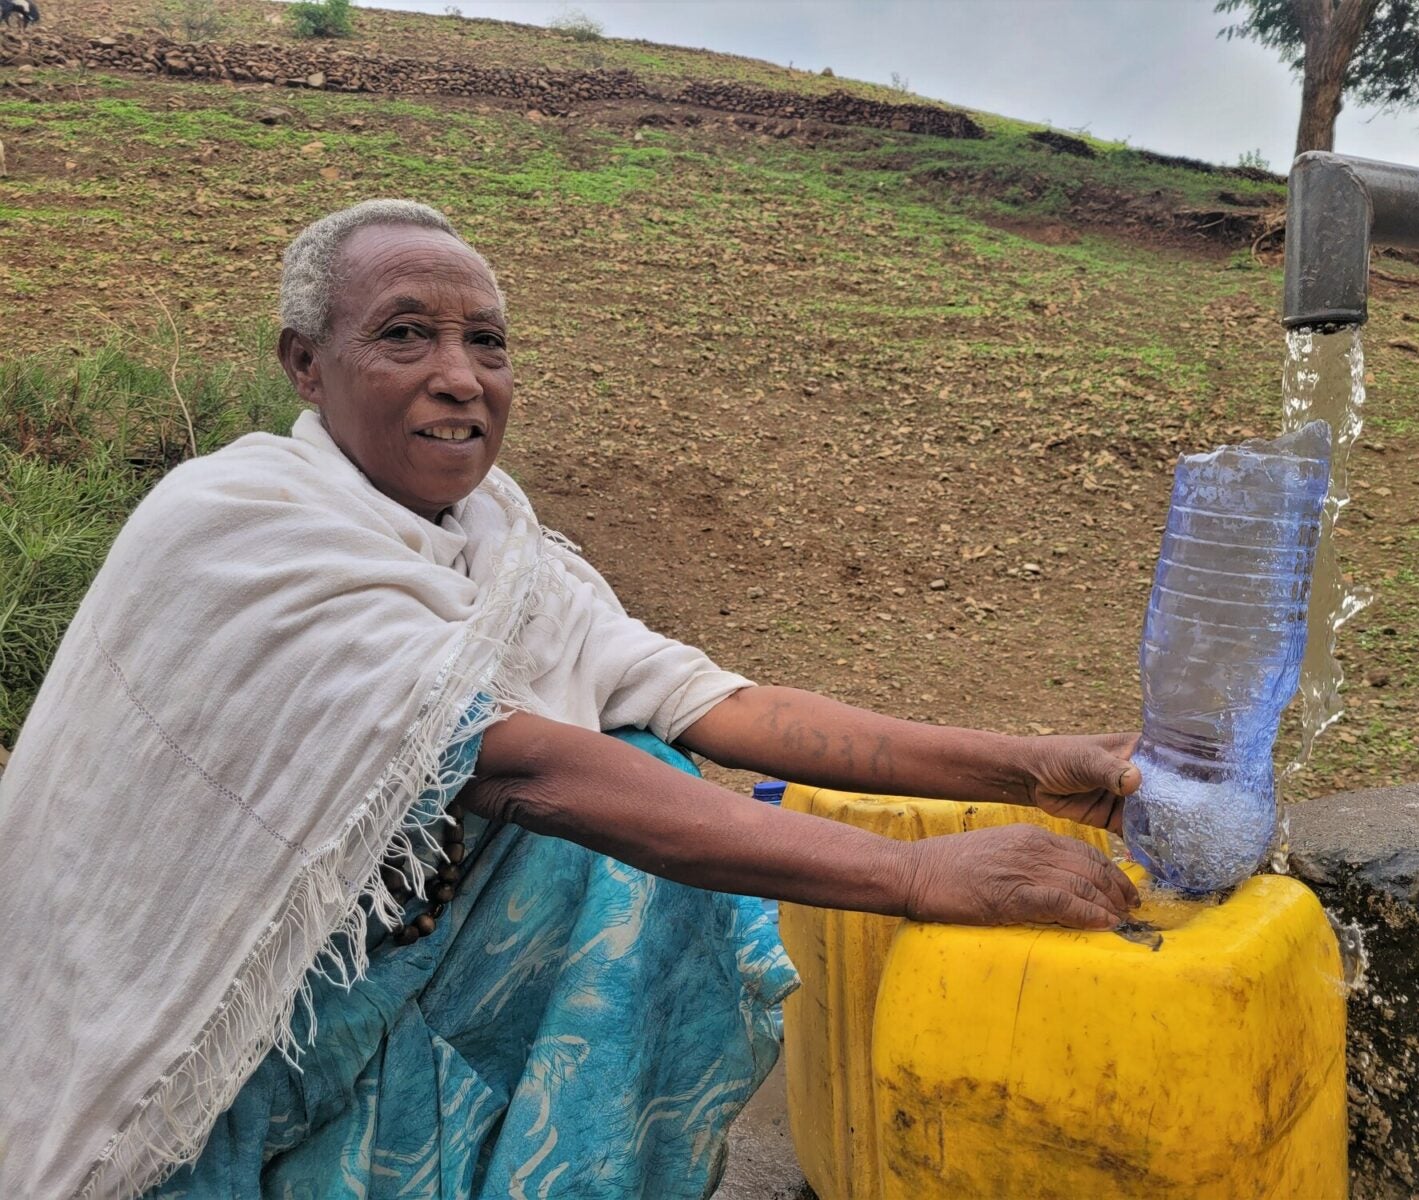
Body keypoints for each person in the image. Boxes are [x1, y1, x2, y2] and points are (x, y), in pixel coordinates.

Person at [0, 200, 1140, 1200]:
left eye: (486, 342)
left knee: (650, 760)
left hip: (374, 973)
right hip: (189, 1043)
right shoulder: (240, 521)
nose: (461, 375)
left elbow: (712, 701)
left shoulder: (496, 542)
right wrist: (919, 876)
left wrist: (1032, 769)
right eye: (406, 334)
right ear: (305, 364)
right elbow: (524, 770)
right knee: (620, 806)